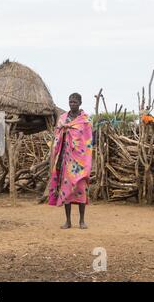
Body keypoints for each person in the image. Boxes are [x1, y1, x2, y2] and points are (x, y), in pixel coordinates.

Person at [48, 93, 93, 229]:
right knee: (66, 191)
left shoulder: (85, 120)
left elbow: (88, 141)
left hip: (80, 162)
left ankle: (82, 221)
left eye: (74, 102)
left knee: (81, 191)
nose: (72, 104)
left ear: (80, 103)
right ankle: (68, 221)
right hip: (65, 161)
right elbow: (57, 135)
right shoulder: (63, 118)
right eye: (70, 102)